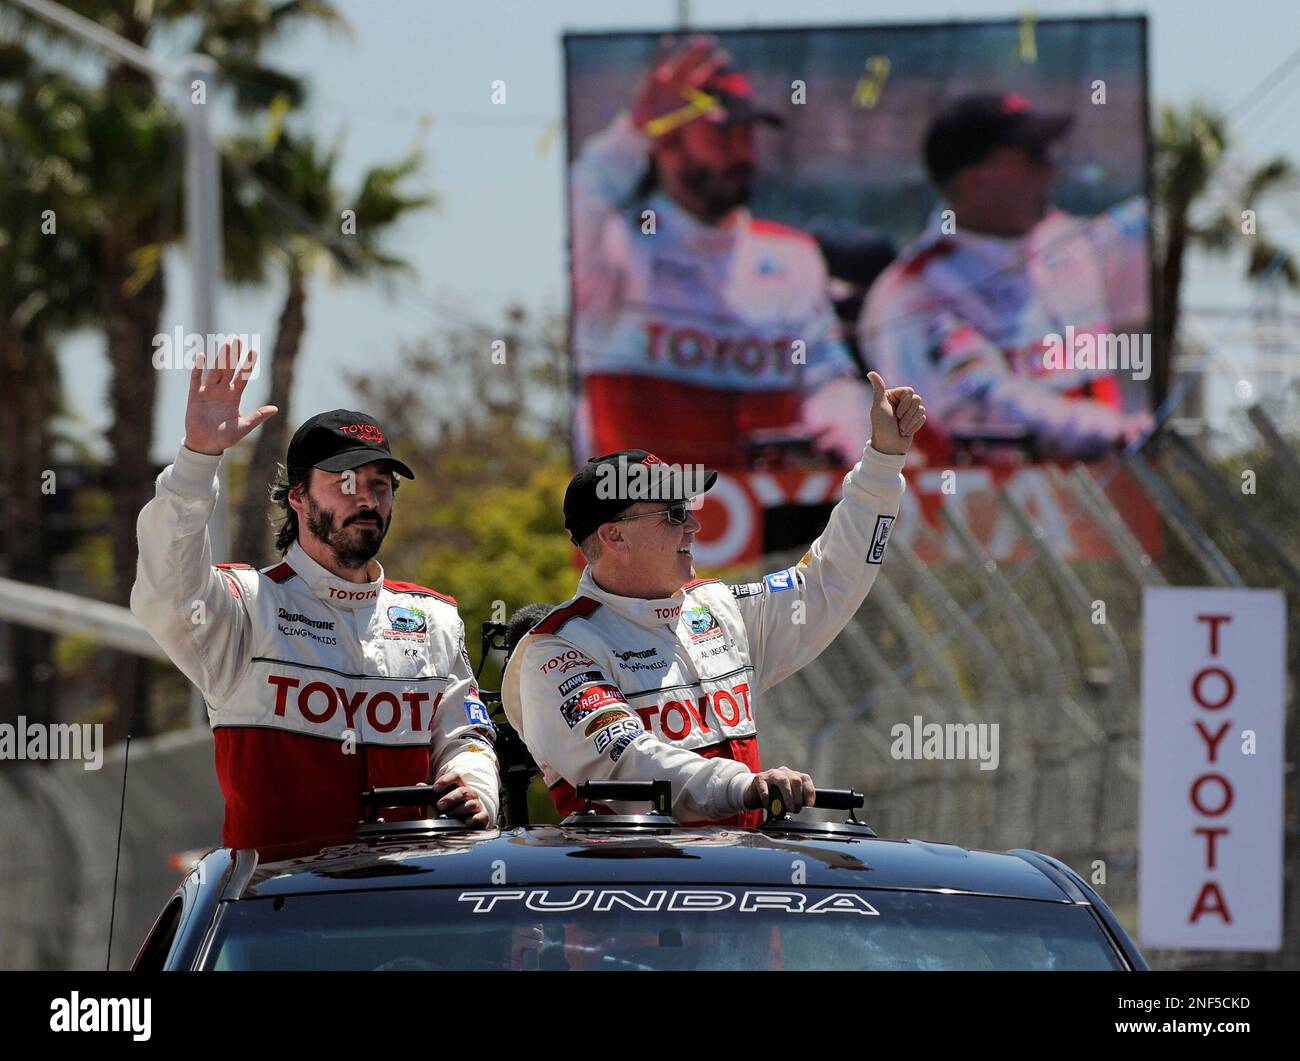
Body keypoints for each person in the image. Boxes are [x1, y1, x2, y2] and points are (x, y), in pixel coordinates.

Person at [501, 371, 924, 827]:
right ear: (614, 535)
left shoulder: (719, 608)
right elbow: (628, 762)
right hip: (636, 889)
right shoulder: (558, 649)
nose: (694, 527)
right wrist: (742, 786)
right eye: (675, 513)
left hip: (738, 880)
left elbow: (829, 581)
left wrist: (883, 460)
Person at [131, 341, 499, 851]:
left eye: (382, 484)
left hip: (414, 904)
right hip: (277, 910)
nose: (368, 498)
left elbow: (463, 737)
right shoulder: (246, 606)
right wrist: (198, 460)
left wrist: (475, 788)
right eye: (347, 482)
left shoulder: (432, 618)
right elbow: (164, 589)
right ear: (298, 496)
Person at [571, 35, 872, 468]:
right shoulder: (616, 246)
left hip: (767, 523)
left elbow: (829, 380)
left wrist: (840, 424)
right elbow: (576, 203)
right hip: (637, 520)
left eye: (748, 132)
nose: (742, 149)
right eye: (722, 131)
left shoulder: (794, 255)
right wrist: (631, 134)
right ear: (666, 142)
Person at [858, 92, 1152, 464]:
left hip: (1107, 495)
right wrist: (1107, 429)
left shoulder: (1068, 242)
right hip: (982, 509)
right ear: (977, 181)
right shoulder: (914, 291)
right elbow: (985, 402)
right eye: (1034, 158)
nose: (1050, 172)